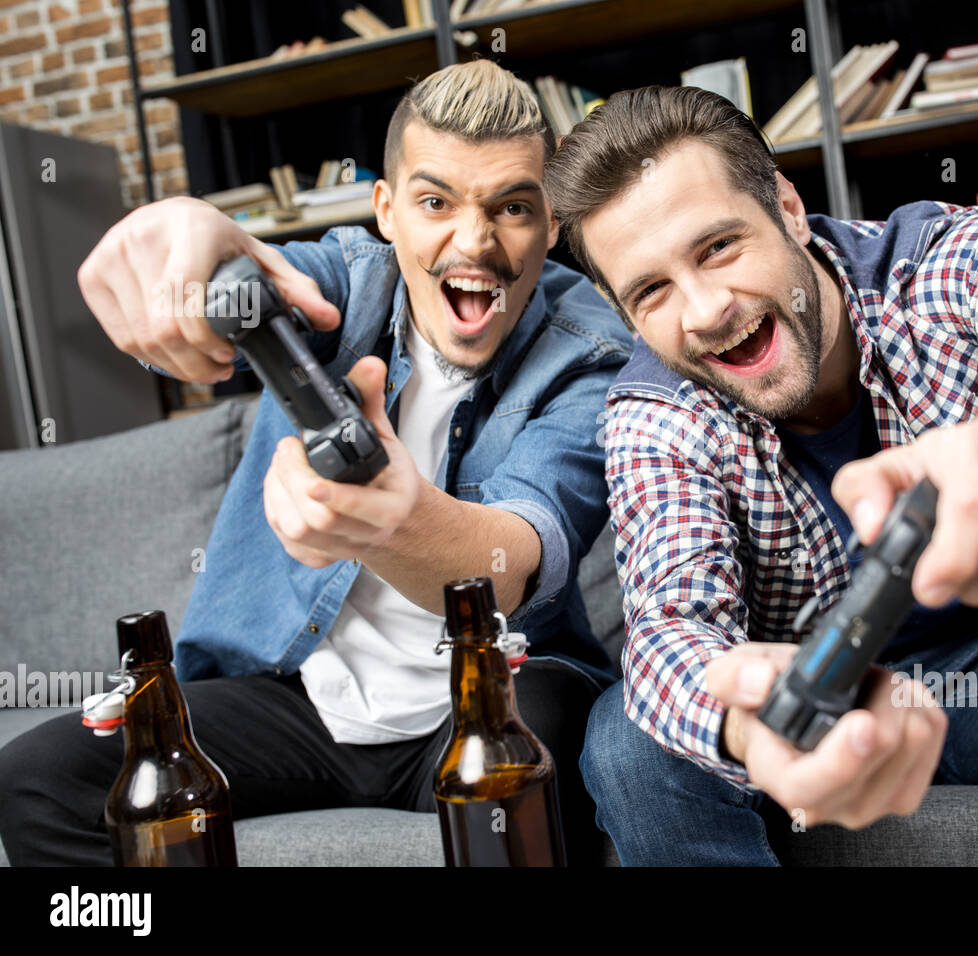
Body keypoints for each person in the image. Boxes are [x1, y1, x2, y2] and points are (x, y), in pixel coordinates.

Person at [542, 85, 978, 866]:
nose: (703, 309)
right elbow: (668, 627)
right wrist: (751, 725)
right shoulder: (654, 410)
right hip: (819, 704)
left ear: (789, 209)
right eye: (651, 291)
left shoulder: (926, 266)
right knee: (628, 739)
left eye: (718, 247)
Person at [0, 59, 631, 867]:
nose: (473, 243)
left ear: (550, 225)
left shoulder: (595, 353)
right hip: (298, 701)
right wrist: (190, 245)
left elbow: (511, 562)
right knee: (35, 779)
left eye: (512, 207)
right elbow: (251, 287)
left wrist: (387, 525)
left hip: (487, 694)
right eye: (436, 202)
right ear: (387, 210)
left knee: (539, 758)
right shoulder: (349, 283)